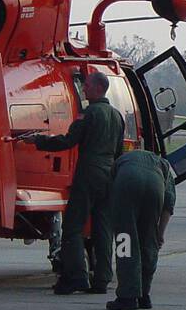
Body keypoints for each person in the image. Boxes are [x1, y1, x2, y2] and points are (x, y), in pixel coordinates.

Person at [29, 68, 125, 294]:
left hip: (89, 173)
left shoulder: (89, 114)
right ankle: (102, 278)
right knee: (103, 228)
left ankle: (76, 276)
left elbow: (68, 141)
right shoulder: (116, 116)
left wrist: (39, 141)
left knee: (72, 227)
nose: (84, 89)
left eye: (88, 86)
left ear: (99, 88)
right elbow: (119, 150)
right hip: (109, 174)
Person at [105, 149, 176, 310]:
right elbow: (169, 203)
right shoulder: (163, 164)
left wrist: (118, 223)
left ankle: (127, 297)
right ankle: (144, 295)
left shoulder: (121, 161)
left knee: (125, 243)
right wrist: (159, 233)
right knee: (149, 243)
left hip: (127, 183)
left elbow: (110, 193)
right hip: (155, 185)